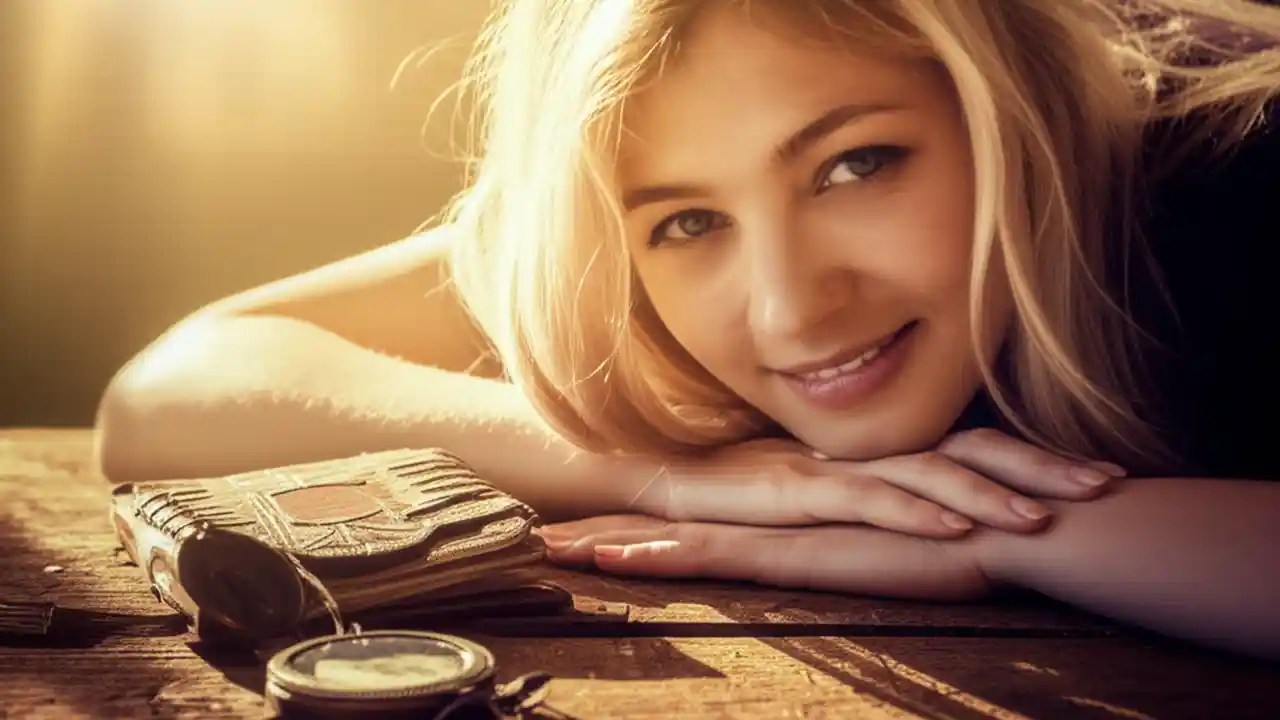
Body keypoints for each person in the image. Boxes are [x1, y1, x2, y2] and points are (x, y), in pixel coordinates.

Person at [95, 0, 1280, 660]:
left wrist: (1019, 535)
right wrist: (679, 476)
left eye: (854, 164)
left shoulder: (1235, 162)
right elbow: (171, 388)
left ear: (1001, 108)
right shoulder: (601, 245)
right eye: (686, 223)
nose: (785, 309)